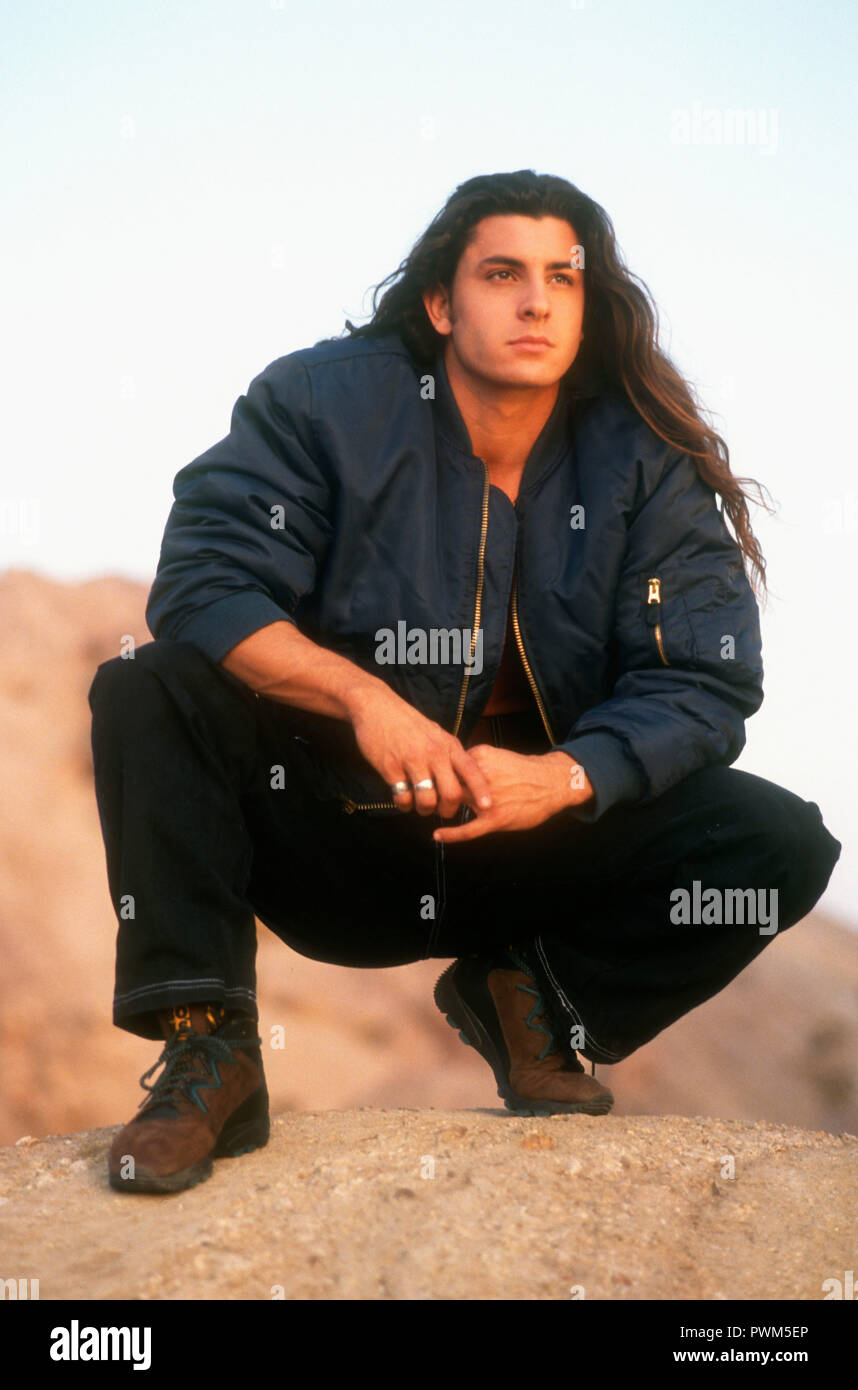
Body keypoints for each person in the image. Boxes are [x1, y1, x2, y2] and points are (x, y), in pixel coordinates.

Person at [88, 169, 841, 1195]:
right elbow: (206, 581)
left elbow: (703, 684)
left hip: (524, 849)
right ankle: (208, 1055)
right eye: (502, 273)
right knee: (147, 683)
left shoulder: (644, 461)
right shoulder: (325, 403)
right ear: (444, 302)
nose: (535, 301)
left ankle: (530, 996)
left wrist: (570, 776)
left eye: (561, 279)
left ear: (586, 304)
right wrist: (365, 701)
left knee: (778, 841)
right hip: (333, 835)